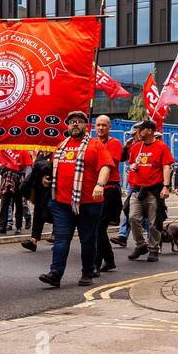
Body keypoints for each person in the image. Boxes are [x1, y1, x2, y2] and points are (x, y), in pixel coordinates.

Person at [39, 110, 113, 288]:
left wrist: (100, 185)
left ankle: (87, 272)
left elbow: (106, 166)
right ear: (68, 125)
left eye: (79, 121)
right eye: (72, 121)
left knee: (87, 240)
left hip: (89, 204)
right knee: (61, 239)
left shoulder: (96, 145)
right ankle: (55, 274)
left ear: (85, 126)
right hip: (62, 203)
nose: (75, 124)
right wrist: (47, 179)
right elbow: (53, 168)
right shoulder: (61, 145)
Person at [126, 120, 174, 262]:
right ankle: (141, 245)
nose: (137, 132)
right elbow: (131, 164)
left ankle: (154, 248)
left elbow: (167, 167)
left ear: (149, 131)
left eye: (140, 130)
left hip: (154, 190)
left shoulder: (161, 147)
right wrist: (133, 166)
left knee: (154, 221)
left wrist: (166, 186)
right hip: (137, 189)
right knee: (133, 218)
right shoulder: (136, 148)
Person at [92, 115, 124, 273]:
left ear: (109, 127)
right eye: (98, 125)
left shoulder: (114, 143)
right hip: (95, 189)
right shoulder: (93, 143)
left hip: (109, 188)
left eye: (104, 125)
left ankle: (96, 264)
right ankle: (109, 260)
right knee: (98, 228)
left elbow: (106, 165)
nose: (101, 128)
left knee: (99, 227)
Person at [19, 150, 52, 251]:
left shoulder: (55, 154)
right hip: (39, 191)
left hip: (51, 192)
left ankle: (58, 239)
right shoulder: (40, 154)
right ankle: (33, 241)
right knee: (38, 216)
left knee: (52, 215)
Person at [0, 148, 31, 234]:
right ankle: (2, 226)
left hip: (18, 179)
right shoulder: (3, 148)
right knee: (4, 205)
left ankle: (18, 227)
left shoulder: (23, 150)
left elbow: (28, 168)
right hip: (6, 178)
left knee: (19, 204)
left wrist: (27, 182)